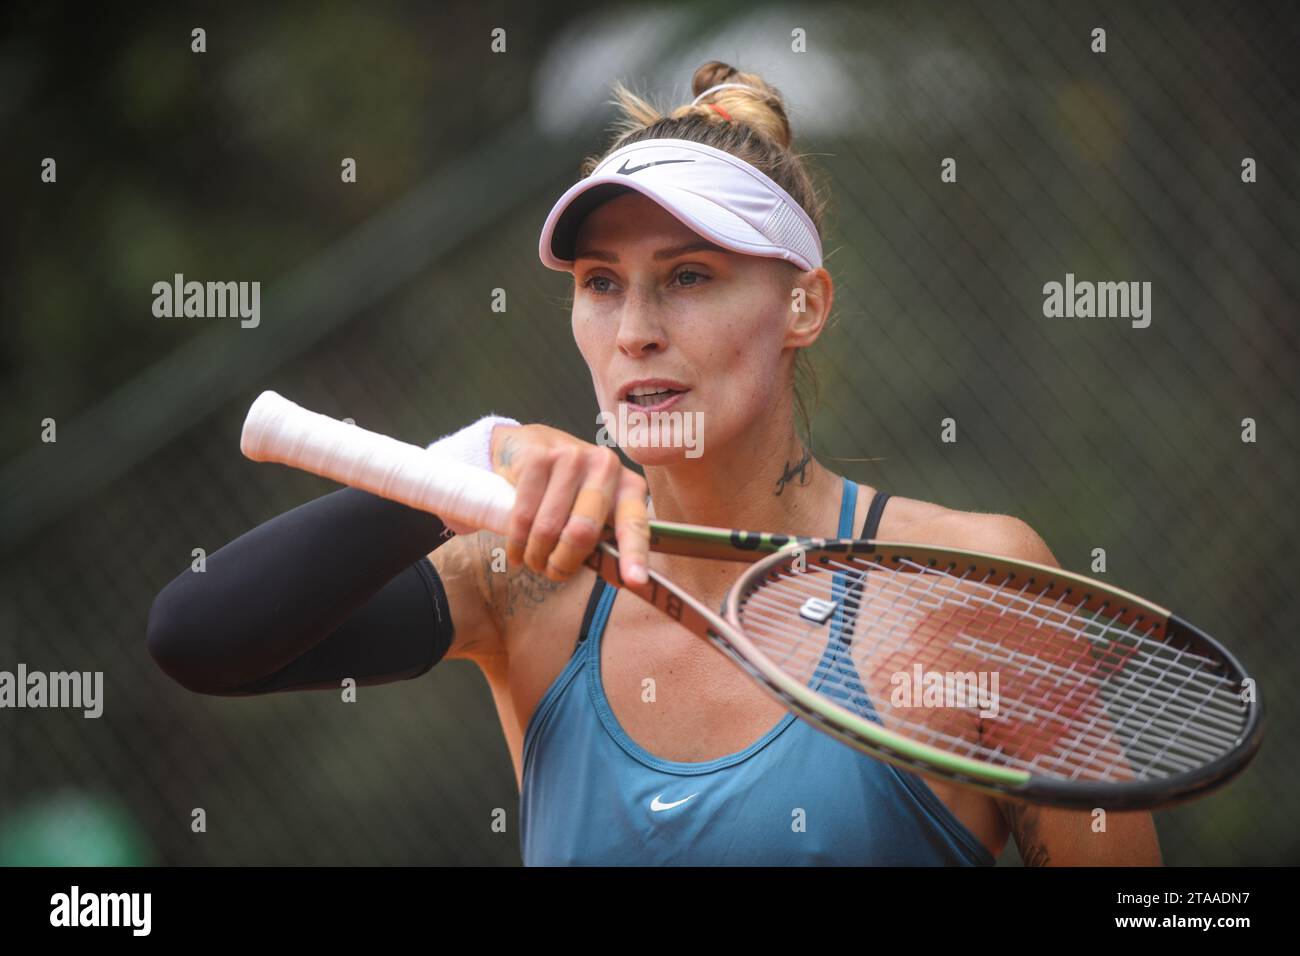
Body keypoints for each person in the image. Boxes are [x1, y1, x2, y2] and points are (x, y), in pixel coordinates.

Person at [148, 61, 1161, 866]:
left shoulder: (970, 582)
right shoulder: (524, 576)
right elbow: (199, 635)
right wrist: (466, 458)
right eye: (601, 282)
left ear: (803, 303)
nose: (634, 330)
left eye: (688, 277)